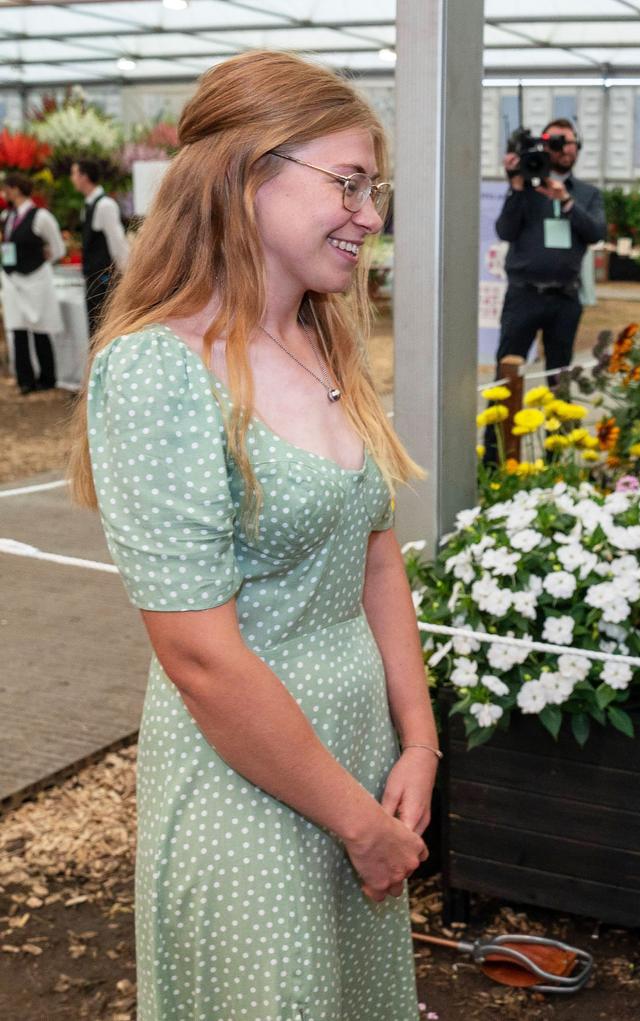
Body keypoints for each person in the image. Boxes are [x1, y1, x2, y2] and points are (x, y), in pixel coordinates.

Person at [66, 51, 432, 1020]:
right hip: (255, 800)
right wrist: (361, 823)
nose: (370, 214)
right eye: (348, 183)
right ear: (245, 172)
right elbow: (199, 657)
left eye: (375, 189)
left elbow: (378, 553)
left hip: (358, 772)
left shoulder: (324, 339)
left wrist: (421, 741)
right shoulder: (157, 370)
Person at [494, 117, 605, 374]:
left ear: (578, 147)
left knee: (560, 374)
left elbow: (596, 233)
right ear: (543, 147)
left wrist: (567, 201)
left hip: (565, 298)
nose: (564, 149)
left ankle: (558, 414)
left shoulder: (587, 194)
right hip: (524, 295)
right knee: (508, 370)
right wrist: (516, 187)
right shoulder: (526, 189)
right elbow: (505, 231)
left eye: (570, 143)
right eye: (556, 142)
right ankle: (502, 416)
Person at [1, 173, 65, 393]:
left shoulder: (41, 216)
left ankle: (48, 378)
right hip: (13, 280)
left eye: (7, 188)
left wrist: (47, 257)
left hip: (37, 279)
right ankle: (25, 380)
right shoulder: (7, 217)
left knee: (41, 328)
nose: (5, 192)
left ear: (16, 189)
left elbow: (58, 247)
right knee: (18, 329)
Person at [70, 157, 130, 337]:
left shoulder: (105, 205)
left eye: (74, 173)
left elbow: (118, 244)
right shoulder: (88, 206)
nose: (72, 179)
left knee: (103, 330)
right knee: (94, 330)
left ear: (84, 176)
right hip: (93, 280)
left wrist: (128, 278)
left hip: (104, 280)